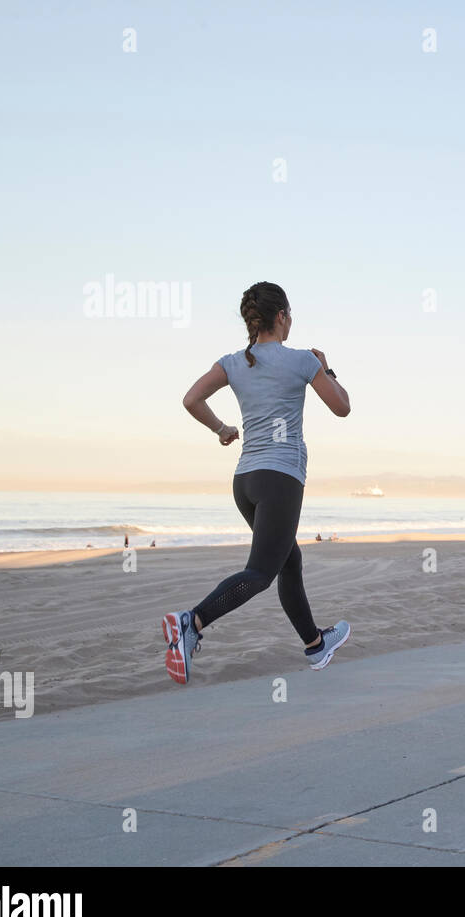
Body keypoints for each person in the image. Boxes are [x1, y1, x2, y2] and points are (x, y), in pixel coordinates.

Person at [161, 281, 353, 685]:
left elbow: (191, 399)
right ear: (281, 317)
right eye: (289, 316)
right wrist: (327, 367)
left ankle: (316, 644)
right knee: (261, 573)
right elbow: (342, 407)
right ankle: (191, 622)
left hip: (245, 483)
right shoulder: (303, 361)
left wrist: (222, 429)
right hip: (280, 479)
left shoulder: (233, 362)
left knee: (290, 561)